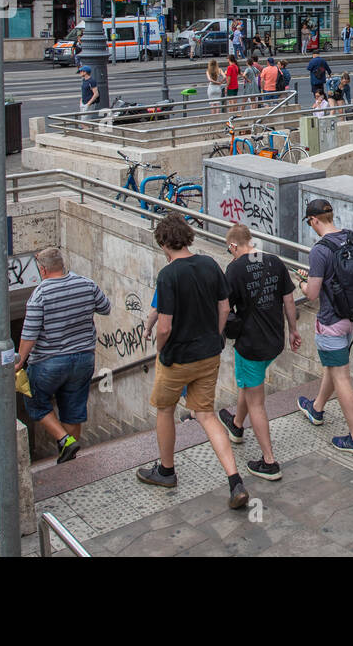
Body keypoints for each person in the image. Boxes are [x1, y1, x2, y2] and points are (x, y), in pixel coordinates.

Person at [137, 215, 249, 509]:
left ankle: (166, 470)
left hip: (178, 358)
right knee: (207, 414)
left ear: (164, 243)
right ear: (187, 237)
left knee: (165, 409)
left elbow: (164, 326)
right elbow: (224, 307)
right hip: (209, 353)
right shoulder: (210, 264)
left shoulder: (168, 275)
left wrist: (162, 350)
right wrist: (216, 333)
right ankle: (234, 480)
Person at [217, 223, 301, 480]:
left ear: (233, 245)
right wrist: (294, 331)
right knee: (250, 384)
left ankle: (269, 461)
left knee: (256, 401)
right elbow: (289, 299)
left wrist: (217, 334)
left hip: (251, 345)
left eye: (229, 249)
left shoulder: (233, 269)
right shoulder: (275, 262)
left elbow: (223, 308)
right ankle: (237, 425)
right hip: (274, 341)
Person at [14, 248, 111, 464]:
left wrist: (20, 360)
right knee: (74, 409)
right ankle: (70, 460)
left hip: (49, 362)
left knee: (35, 403)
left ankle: (64, 440)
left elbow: (29, 334)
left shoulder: (40, 295)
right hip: (84, 359)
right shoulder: (86, 284)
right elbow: (105, 308)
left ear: (43, 269)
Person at [297, 200, 353, 454]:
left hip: (331, 321)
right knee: (334, 365)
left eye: (309, 223)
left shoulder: (319, 251)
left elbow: (313, 294)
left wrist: (301, 283)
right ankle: (316, 408)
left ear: (314, 220)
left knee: (341, 376)